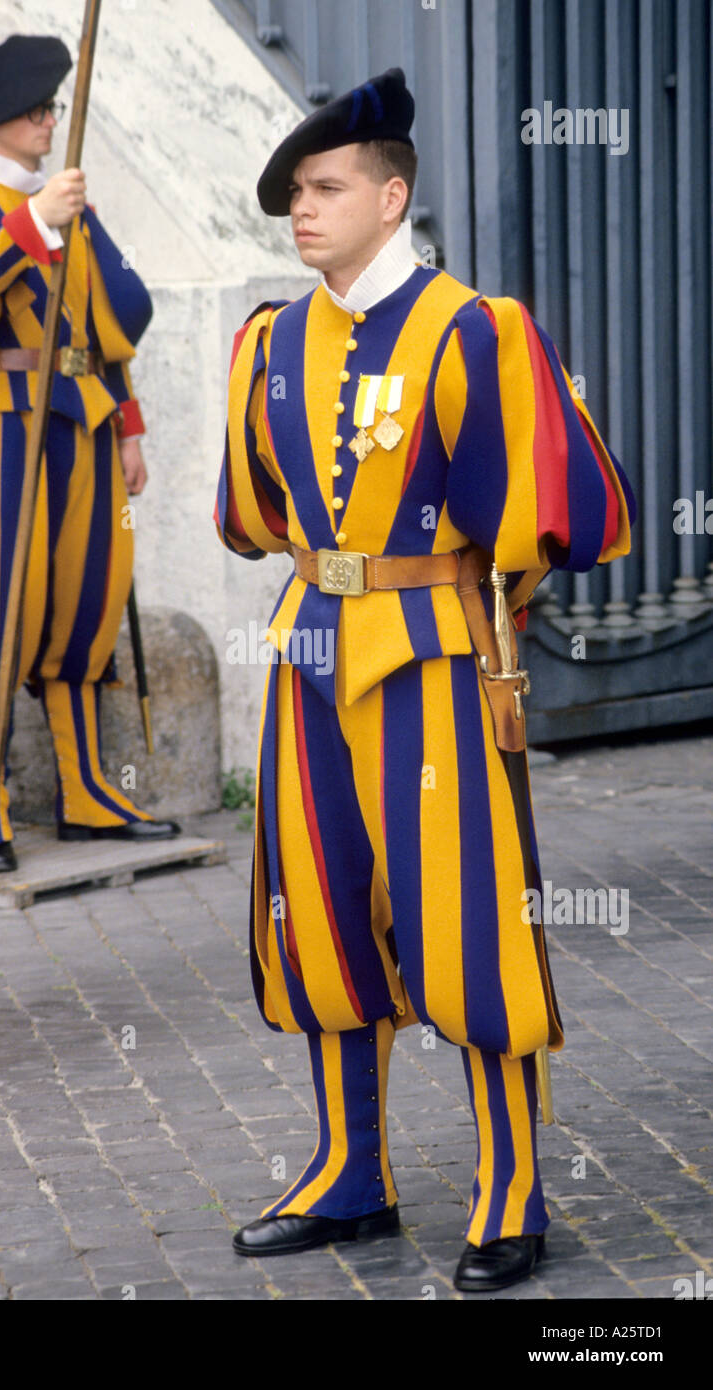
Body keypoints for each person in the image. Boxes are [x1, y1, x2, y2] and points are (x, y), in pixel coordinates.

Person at [214, 68, 635, 1291]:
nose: (303, 208)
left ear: (390, 197)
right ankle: (351, 1169)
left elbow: (567, 508)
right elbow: (248, 517)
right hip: (306, 651)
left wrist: (475, 595)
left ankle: (510, 1184)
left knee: (467, 923)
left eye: (327, 186)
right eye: (294, 190)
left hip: (436, 655)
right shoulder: (268, 342)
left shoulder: (475, 328)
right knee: (320, 916)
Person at [0, 34, 179, 873]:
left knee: (86, 605)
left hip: (84, 424)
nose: (50, 121)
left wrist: (127, 426)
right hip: (5, 423)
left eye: (53, 107)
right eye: (35, 110)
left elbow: (107, 329)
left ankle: (88, 792)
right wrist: (30, 225)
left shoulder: (72, 208)